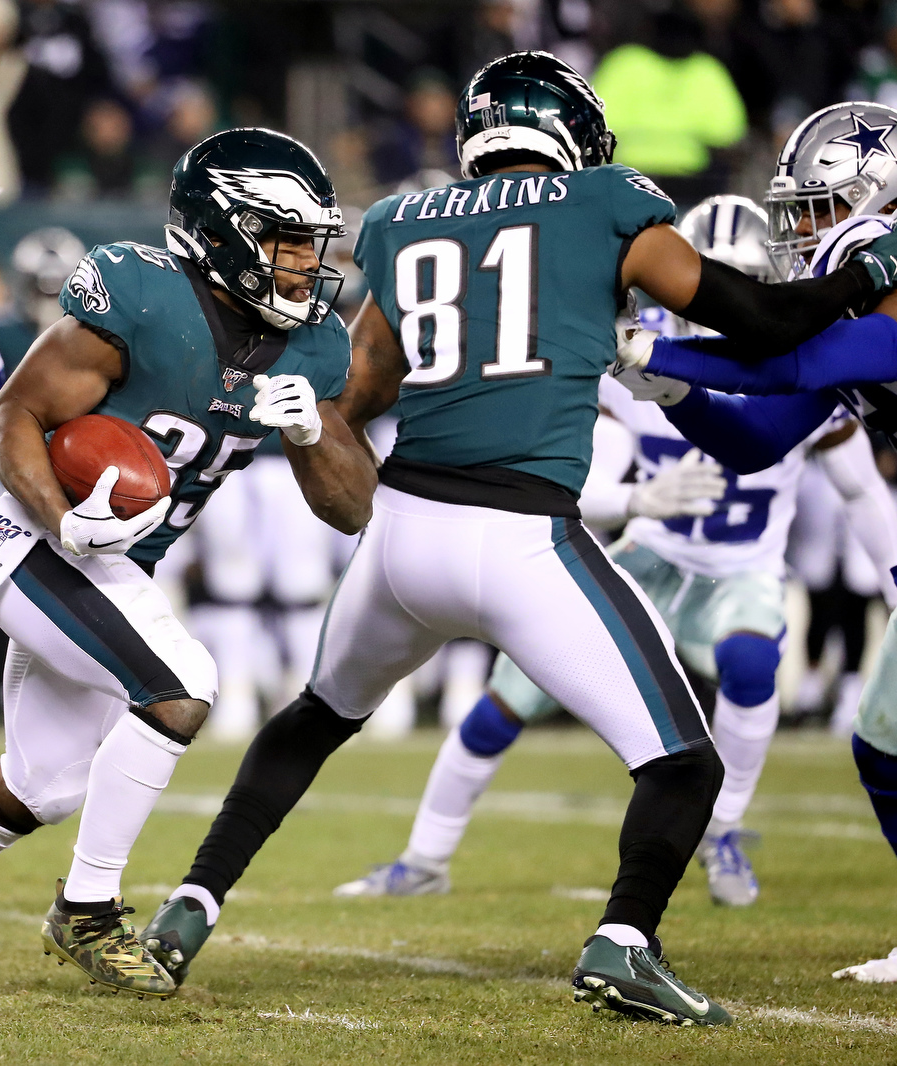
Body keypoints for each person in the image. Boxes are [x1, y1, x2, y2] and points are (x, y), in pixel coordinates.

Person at [139, 52, 897, 1027]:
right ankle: (622, 942)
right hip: (521, 534)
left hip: (402, 532)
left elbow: (353, 401)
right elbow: (759, 326)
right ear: (576, 140)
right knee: (684, 766)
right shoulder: (606, 201)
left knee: (314, 717)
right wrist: (860, 275)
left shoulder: (401, 220)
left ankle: (188, 906)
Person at [0, 126, 377, 1003]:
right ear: (222, 233)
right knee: (182, 687)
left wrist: (312, 431)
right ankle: (87, 911)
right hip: (36, 544)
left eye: (311, 243)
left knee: (43, 784)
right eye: (284, 241)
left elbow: (352, 508)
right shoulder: (144, 296)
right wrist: (63, 519)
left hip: (119, 569)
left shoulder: (312, 345)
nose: (305, 265)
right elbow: (11, 418)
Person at [334, 195, 897, 909]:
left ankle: (723, 830)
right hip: (651, 555)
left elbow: (852, 479)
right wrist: (638, 492)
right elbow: (569, 478)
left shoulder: (778, 351)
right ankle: (424, 857)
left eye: (755, 284)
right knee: (509, 697)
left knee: (755, 663)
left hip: (741, 569)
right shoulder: (642, 354)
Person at [609, 100, 897, 983]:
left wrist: (658, 351)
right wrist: (669, 390)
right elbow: (758, 439)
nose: (802, 230)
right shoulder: (855, 316)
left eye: (819, 207)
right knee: (884, 744)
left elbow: (790, 364)